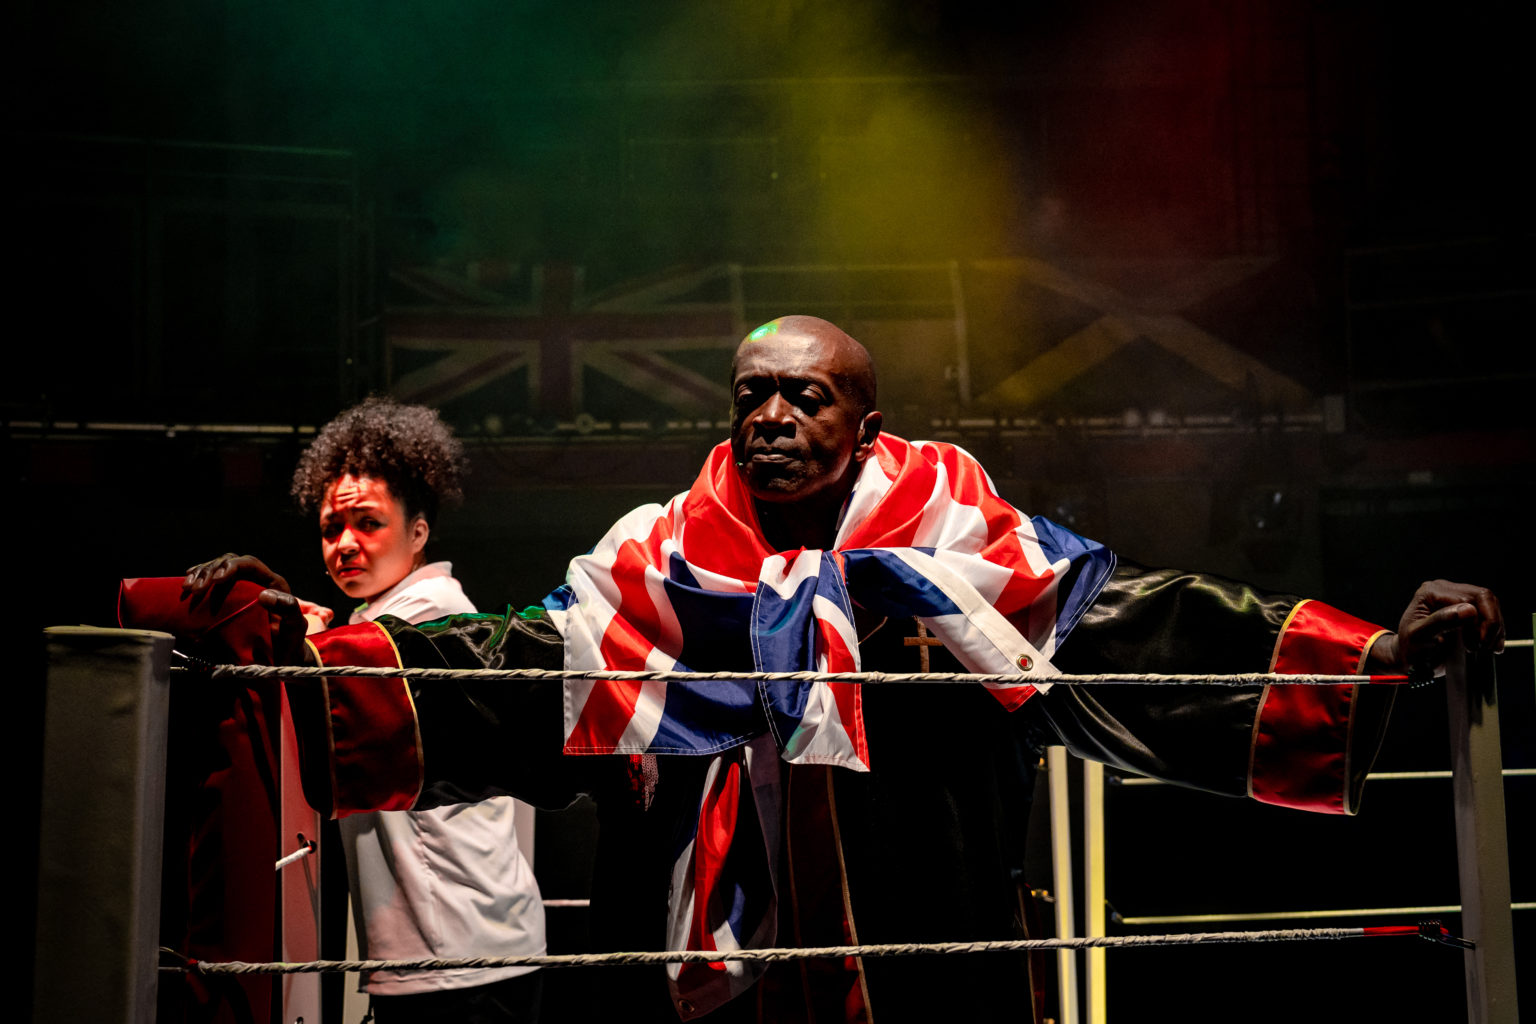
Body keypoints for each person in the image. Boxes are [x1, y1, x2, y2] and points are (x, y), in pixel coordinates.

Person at [234, 318, 1503, 1023]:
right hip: (721, 982)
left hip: (931, 960)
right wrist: (301, 649)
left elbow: (1140, 629)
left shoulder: (964, 548)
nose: (771, 417)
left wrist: (1375, 652)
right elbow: (511, 665)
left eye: (805, 396)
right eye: (751, 394)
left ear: (865, 426)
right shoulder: (657, 565)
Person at [185, 397, 547, 1024]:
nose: (346, 544)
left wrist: (263, 604)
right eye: (331, 528)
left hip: (463, 953)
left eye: (368, 524)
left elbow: (350, 664)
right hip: (449, 948)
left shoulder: (436, 620)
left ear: (418, 532)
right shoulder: (371, 624)